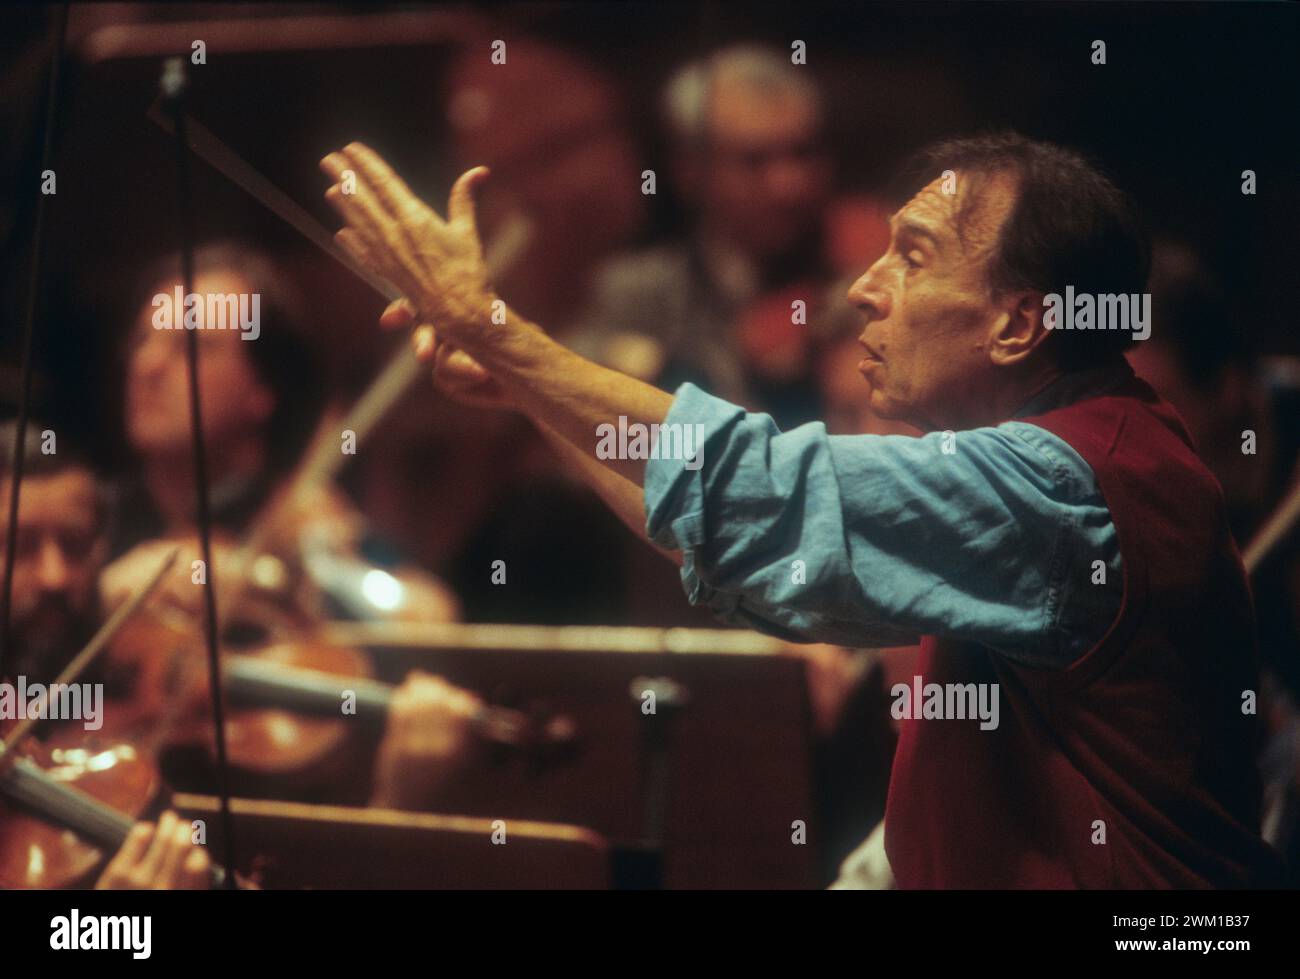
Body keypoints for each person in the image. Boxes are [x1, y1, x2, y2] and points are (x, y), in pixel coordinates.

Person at [321, 130, 1282, 887]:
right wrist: (528, 387)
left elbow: (756, 491)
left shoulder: (1061, 483)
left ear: (1018, 322)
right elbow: (726, 532)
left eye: (912, 258)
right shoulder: (1054, 460)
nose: (864, 288)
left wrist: (494, 327)